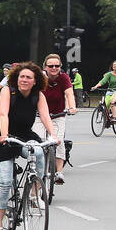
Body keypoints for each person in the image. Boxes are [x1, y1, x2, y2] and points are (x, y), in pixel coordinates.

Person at [0, 62, 59, 230]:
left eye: (28, 77)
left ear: (35, 81)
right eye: (22, 77)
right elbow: (3, 115)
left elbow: (45, 116)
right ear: (16, 79)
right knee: (4, 181)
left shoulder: (38, 95)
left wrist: (53, 136)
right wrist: (4, 136)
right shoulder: (8, 91)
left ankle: (35, 194)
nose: (24, 80)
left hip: (24, 134)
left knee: (39, 152)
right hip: (2, 134)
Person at [36, 53, 76, 184]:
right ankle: (38, 169)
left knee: (58, 142)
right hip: (40, 115)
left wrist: (72, 107)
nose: (54, 68)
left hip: (58, 115)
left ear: (60, 67)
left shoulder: (63, 78)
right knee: (38, 141)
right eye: (51, 66)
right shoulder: (40, 77)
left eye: (57, 66)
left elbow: (69, 93)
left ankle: (59, 172)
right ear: (45, 67)